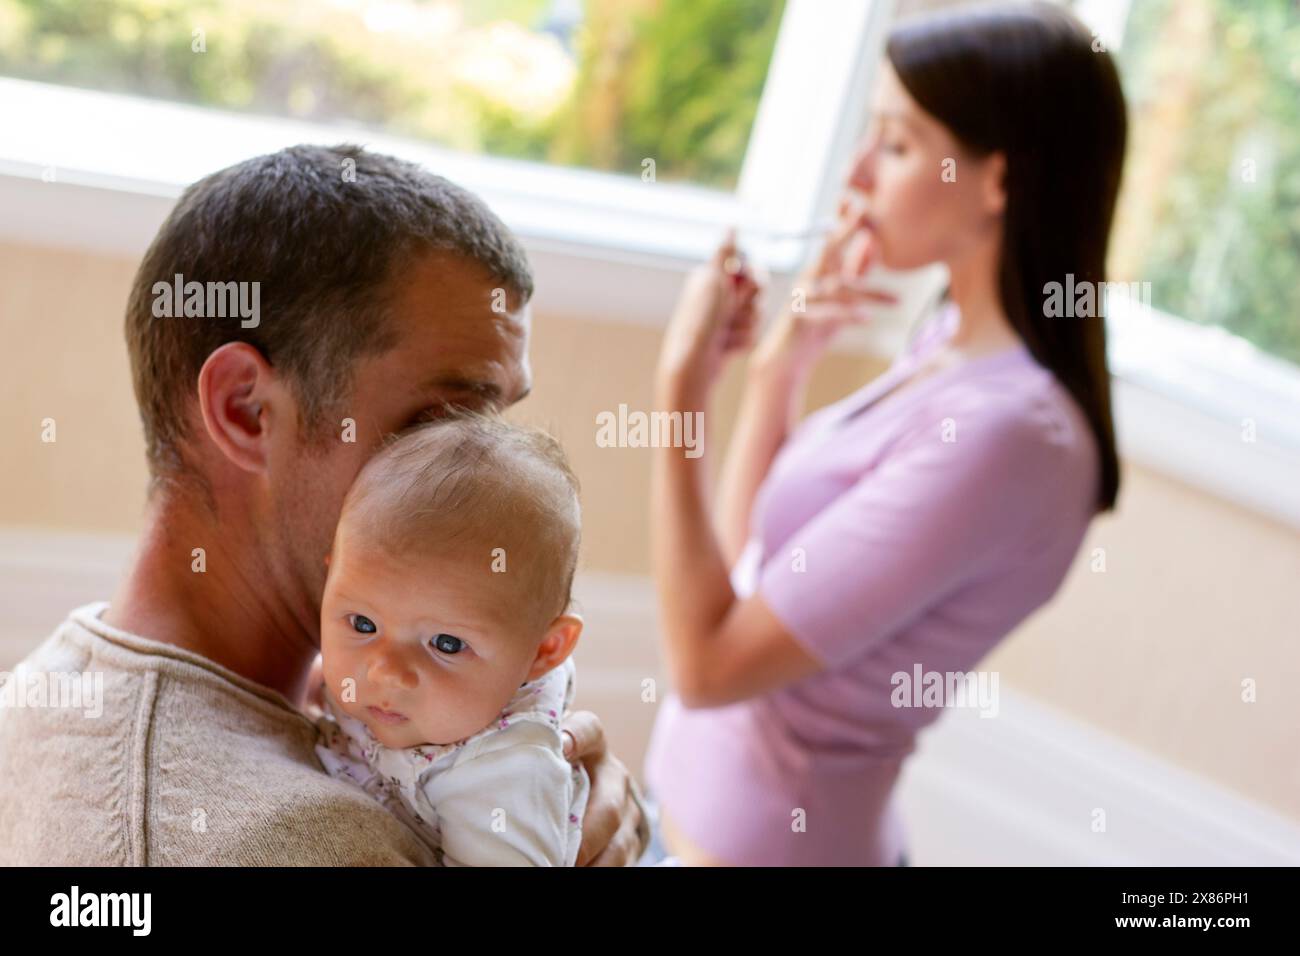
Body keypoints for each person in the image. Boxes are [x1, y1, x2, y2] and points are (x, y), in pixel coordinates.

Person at [0, 144, 649, 866]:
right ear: (247, 410)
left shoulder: (57, 677)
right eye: (441, 423)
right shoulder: (289, 843)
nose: (483, 476)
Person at [644, 0, 1126, 865]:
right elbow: (750, 576)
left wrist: (679, 392)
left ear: (997, 181)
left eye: (897, 145)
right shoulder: (949, 346)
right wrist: (775, 372)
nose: (857, 173)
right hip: (687, 819)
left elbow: (707, 666)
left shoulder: (1010, 434)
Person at [311, 415, 590, 866]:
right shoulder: (384, 686)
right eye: (363, 624)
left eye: (446, 644)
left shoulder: (502, 774)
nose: (385, 672)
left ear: (545, 650)